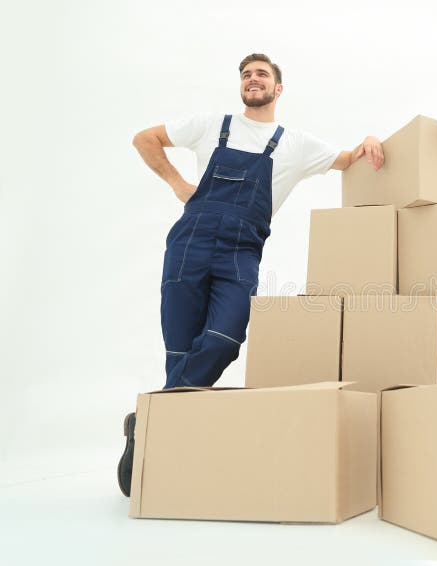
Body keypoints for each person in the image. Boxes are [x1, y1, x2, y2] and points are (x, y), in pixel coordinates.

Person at [117, 53, 384, 497]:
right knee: (180, 351)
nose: (252, 79)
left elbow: (351, 158)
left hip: (242, 252)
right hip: (190, 243)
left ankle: (148, 421)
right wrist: (180, 185)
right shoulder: (210, 125)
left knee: (225, 338)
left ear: (278, 89)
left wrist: (371, 137)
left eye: (262, 74)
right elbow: (144, 138)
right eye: (246, 75)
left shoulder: (296, 144)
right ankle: (163, 470)